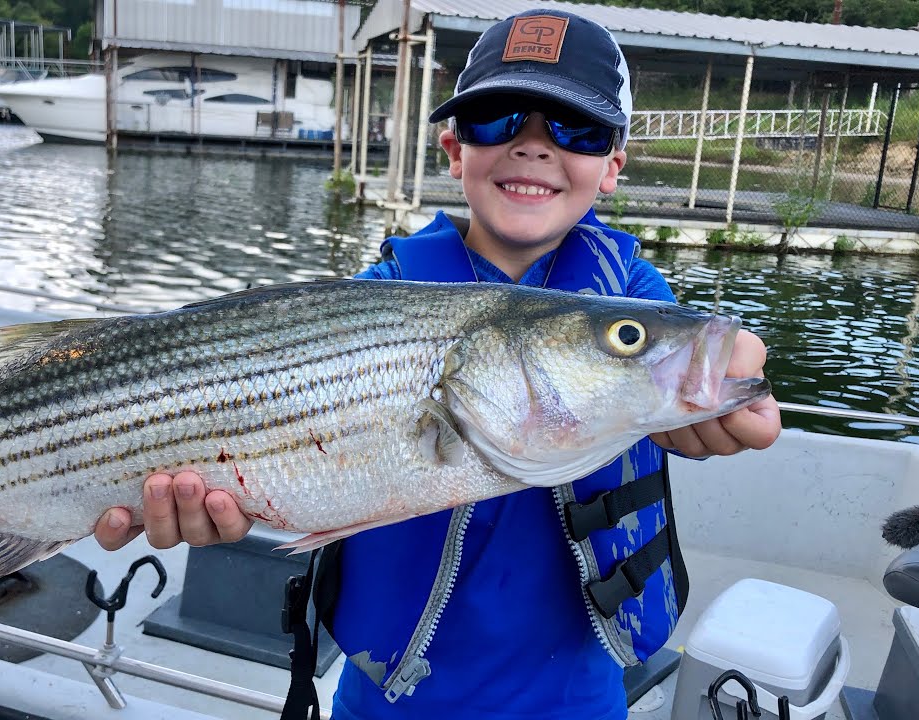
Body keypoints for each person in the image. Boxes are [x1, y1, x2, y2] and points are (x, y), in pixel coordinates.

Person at [94, 8, 781, 719]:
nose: (534, 147)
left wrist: (739, 383)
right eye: (498, 120)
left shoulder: (628, 297)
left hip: (573, 699)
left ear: (612, 166)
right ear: (453, 149)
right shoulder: (379, 301)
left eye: (576, 130)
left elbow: (726, 352)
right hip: (386, 698)